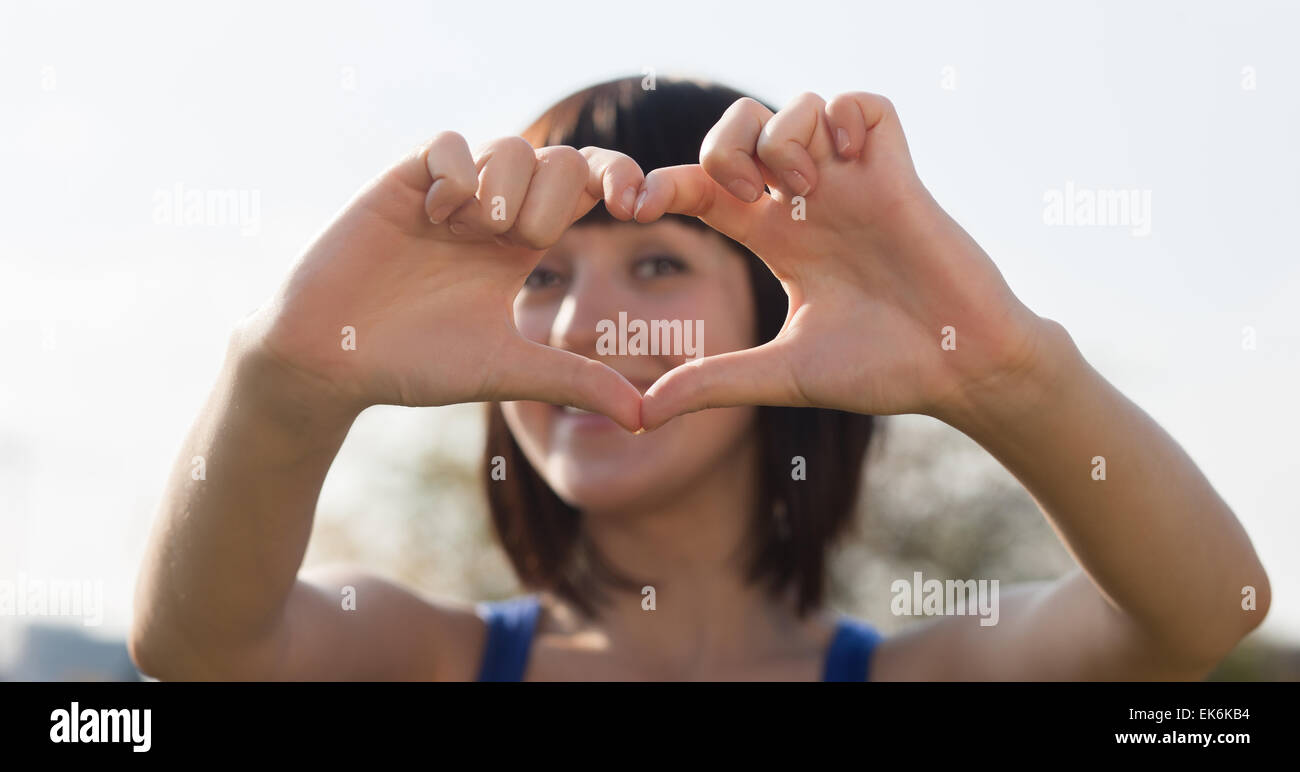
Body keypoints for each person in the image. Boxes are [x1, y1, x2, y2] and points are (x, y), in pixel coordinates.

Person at [128, 76, 1270, 681]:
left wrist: (1005, 366)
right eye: (542, 276)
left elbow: (1202, 613)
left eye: (659, 263)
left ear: (788, 324)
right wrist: (282, 373)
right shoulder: (420, 653)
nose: (583, 321)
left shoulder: (932, 668)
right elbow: (198, 648)